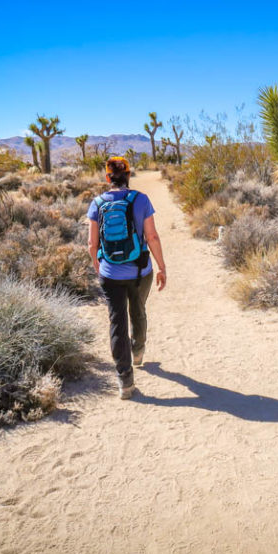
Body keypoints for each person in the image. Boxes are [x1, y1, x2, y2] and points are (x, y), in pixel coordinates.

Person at [88, 156, 167, 399]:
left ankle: (125, 381)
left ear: (107, 178)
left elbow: (92, 243)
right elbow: (152, 237)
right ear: (129, 175)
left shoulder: (97, 203)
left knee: (117, 322)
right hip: (140, 271)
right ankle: (138, 351)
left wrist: (99, 267)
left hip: (110, 273)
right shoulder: (141, 199)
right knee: (138, 310)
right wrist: (162, 267)